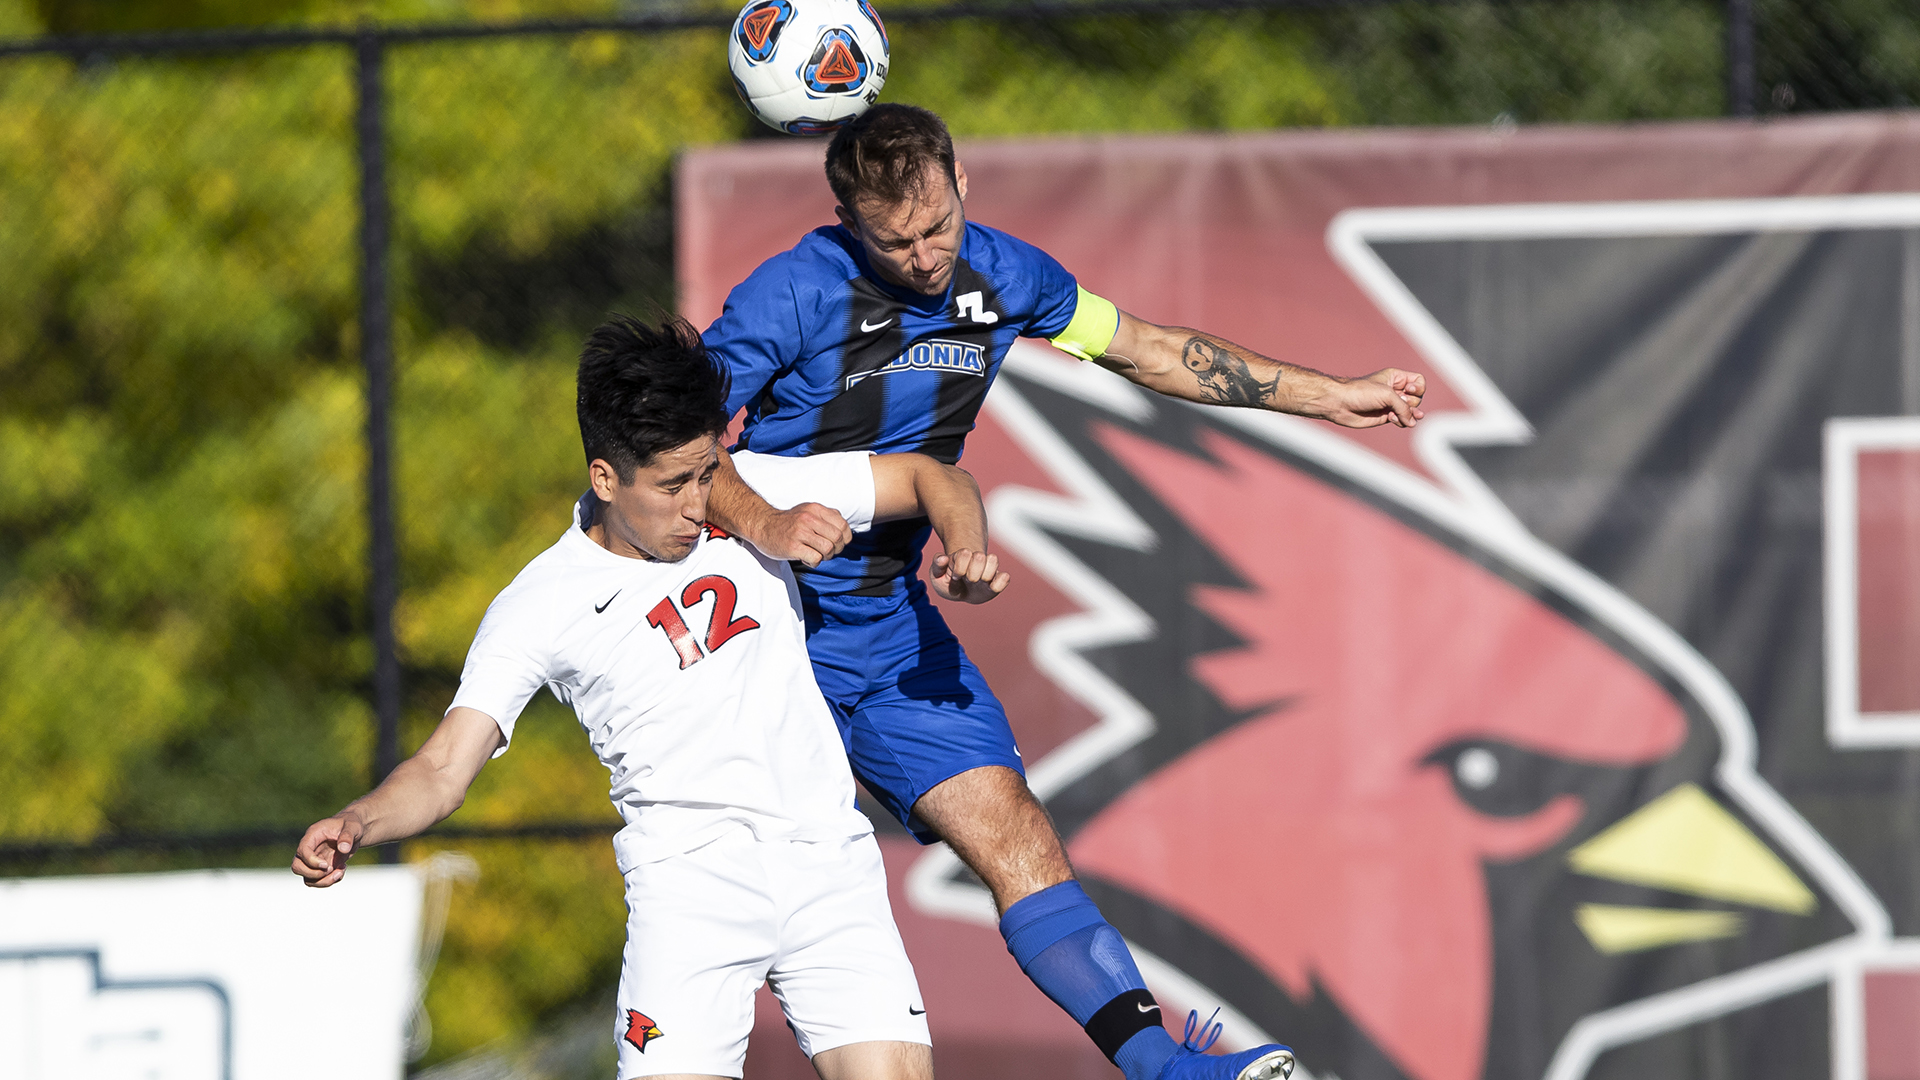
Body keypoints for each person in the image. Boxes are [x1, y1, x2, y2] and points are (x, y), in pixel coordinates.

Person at [700, 104, 1430, 1080]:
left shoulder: (1010, 277)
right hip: (752, 620)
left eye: (936, 230)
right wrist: (771, 528)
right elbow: (674, 443)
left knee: (1011, 826)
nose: (922, 257)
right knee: (734, 905)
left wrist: (1329, 394)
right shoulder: (790, 294)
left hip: (880, 620)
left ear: (965, 188)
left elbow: (1152, 350)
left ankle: (1166, 1067)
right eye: (895, 241)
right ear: (846, 222)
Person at [291, 314, 1013, 1080]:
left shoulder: (751, 496)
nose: (699, 504)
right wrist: (357, 820)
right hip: (690, 890)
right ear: (605, 477)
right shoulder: (540, 603)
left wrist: (964, 547)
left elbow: (938, 478)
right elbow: (443, 770)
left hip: (824, 863)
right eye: (672, 486)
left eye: (706, 473)